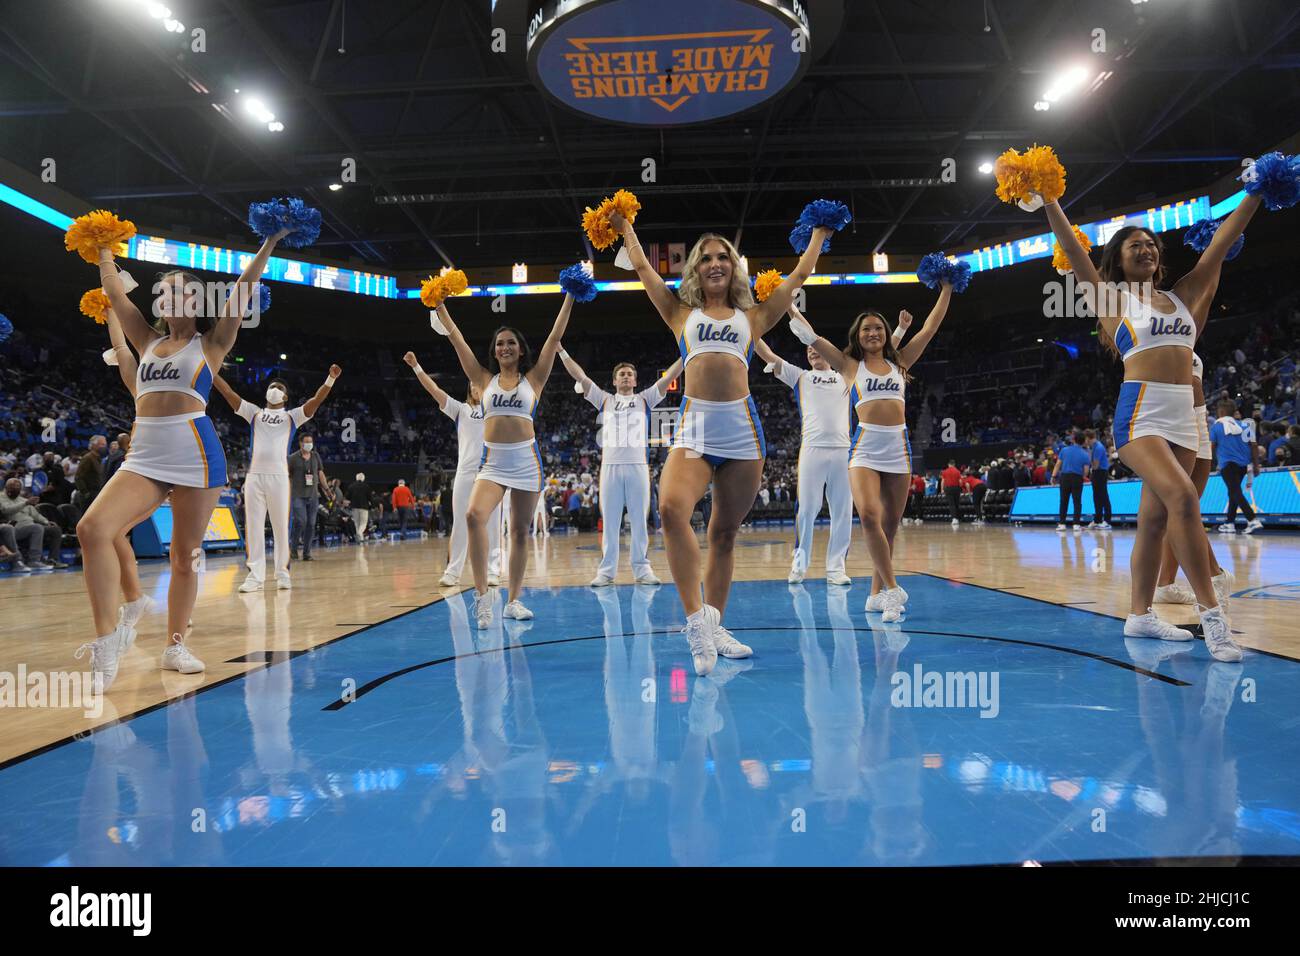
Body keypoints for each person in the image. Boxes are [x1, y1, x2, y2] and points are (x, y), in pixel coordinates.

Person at [1040, 171, 1263, 660]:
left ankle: (1139, 615)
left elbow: (1219, 248)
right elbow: (1076, 255)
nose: (1146, 250)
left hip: (1185, 415)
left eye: (1151, 245)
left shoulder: (1184, 298)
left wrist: (1258, 191)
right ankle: (1214, 619)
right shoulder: (1112, 300)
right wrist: (1053, 201)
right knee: (1184, 497)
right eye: (1134, 246)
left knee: (1155, 522)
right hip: (1140, 413)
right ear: (1117, 258)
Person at [606, 205, 833, 674]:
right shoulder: (678, 311)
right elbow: (646, 270)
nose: (714, 264)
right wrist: (627, 231)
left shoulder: (754, 316)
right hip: (694, 426)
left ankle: (717, 624)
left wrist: (818, 235)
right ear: (695, 269)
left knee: (724, 534)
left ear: (734, 268)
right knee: (671, 508)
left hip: (742, 430)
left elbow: (799, 275)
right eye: (706, 258)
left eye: (722, 258)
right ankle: (695, 624)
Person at [76, 223, 290, 688]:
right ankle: (107, 640)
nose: (168, 298)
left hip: (195, 452)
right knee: (92, 528)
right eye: (163, 292)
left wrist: (270, 241)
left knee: (184, 555)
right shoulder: (146, 340)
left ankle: (175, 645)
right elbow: (115, 293)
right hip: (145, 454)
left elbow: (241, 289)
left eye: (179, 292)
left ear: (197, 303)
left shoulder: (210, 344)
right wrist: (104, 251)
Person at [431, 288, 575, 628]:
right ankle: (483, 598)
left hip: (527, 462)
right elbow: (457, 339)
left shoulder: (534, 378)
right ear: (494, 352)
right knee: (473, 515)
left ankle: (513, 600)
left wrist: (569, 296)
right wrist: (439, 305)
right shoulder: (483, 379)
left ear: (521, 349)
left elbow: (555, 337)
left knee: (521, 534)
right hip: (493, 463)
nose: (505, 347)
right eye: (499, 344)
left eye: (511, 342)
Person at [557, 348, 682, 587]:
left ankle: (642, 569)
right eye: (621, 374)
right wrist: (560, 351)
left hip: (637, 467)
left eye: (629, 374)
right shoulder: (604, 399)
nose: (626, 377)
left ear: (635, 380)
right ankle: (606, 572)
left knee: (638, 521)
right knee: (611, 522)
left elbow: (668, 377)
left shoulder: (645, 399)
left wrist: (688, 353)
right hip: (610, 468)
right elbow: (580, 376)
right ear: (614, 380)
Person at [212, 366, 340, 592]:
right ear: (266, 393)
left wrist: (330, 378)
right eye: (272, 386)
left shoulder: (292, 416)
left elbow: (316, 400)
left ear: (285, 396)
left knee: (281, 527)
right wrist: (211, 371)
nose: (274, 389)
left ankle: (282, 574)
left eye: (279, 387)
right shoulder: (254, 413)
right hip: (254, 478)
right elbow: (229, 393)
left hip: (279, 478)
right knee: (253, 527)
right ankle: (255, 576)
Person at [753, 337, 853, 585]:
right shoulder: (800, 377)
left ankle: (836, 569)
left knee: (843, 511)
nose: (812, 352)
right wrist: (751, 328)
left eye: (816, 348)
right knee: (807, 509)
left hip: (843, 451)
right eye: (808, 350)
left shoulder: (847, 377)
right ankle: (799, 564)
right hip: (812, 450)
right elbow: (768, 354)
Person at [402, 352, 503, 587]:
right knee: (460, 523)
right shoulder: (460, 410)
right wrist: (417, 366)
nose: (477, 387)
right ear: (470, 389)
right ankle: (453, 571)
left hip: (491, 473)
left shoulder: (497, 410)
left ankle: (493, 570)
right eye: (473, 384)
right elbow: (434, 390)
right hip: (466, 474)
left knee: (493, 524)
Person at [1154, 352, 1234, 608]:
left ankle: (1216, 576)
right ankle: (1166, 584)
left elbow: (1193, 384)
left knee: (1181, 512)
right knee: (1177, 513)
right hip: (1180, 429)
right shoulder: (1169, 340)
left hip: (1182, 431)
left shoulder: (1171, 340)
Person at [1210, 399, 1263, 535]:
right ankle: (1229, 523)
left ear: (1220, 411)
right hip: (1243, 465)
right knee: (1233, 492)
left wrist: (1212, 464)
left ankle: (1252, 520)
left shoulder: (1216, 426)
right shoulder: (1245, 426)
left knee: (1235, 492)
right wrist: (1256, 465)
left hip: (1227, 464)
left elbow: (1212, 446)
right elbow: (1254, 445)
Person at [1, 477, 67, 570]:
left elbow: (35, 515)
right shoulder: (2, 497)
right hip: (15, 529)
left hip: (31, 526)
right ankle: (34, 560)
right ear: (6, 487)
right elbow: (6, 510)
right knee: (37, 528)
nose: (16, 488)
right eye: (13, 486)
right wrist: (26, 503)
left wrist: (46, 522)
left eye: (18, 487)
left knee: (55, 530)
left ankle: (52, 559)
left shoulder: (23, 499)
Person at [288, 432, 330, 561]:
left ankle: (307, 553)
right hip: (297, 496)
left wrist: (327, 489)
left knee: (311, 524)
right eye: (306, 442)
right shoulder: (292, 458)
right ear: (300, 443)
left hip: (313, 496)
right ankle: (294, 549)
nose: (309, 444)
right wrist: (288, 493)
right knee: (301, 521)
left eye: (310, 442)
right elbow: (287, 477)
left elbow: (320, 473)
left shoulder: (316, 456)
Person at [1052, 431, 1091, 531]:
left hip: (1065, 477)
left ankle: (1062, 524)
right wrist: (1081, 476)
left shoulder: (1064, 450)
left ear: (1073, 440)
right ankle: (1076, 524)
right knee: (1077, 501)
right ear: (1083, 442)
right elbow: (1086, 471)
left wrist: (1053, 476)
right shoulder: (1085, 454)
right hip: (1077, 478)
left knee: (1064, 501)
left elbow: (1057, 464)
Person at [1085, 428, 1112, 529]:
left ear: (1088, 438)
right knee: (1096, 496)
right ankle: (1097, 519)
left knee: (1103, 495)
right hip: (1096, 473)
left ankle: (1107, 521)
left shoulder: (1098, 447)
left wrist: (1088, 458)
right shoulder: (1094, 447)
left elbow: (1095, 466)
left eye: (1085, 439)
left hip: (1100, 472)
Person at [75, 435, 108, 511]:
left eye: (105, 445)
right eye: (102, 444)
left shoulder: (99, 459)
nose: (104, 447)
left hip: (97, 493)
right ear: (94, 445)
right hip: (90, 495)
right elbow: (78, 477)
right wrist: (85, 493)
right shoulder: (88, 458)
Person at [346, 472, 373, 540]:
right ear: (363, 478)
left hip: (354, 507)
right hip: (364, 507)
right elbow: (370, 498)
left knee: (357, 523)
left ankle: (360, 539)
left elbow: (347, 497)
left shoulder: (351, 486)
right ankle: (360, 534)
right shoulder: (366, 486)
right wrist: (371, 505)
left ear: (356, 478)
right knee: (363, 523)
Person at [940, 460, 962, 526]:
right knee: (956, 503)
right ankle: (958, 518)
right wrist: (960, 488)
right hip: (956, 488)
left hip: (948, 489)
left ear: (948, 464)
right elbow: (960, 481)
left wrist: (942, 489)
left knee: (951, 504)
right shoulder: (957, 471)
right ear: (954, 464)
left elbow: (943, 481)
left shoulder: (945, 471)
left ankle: (954, 519)